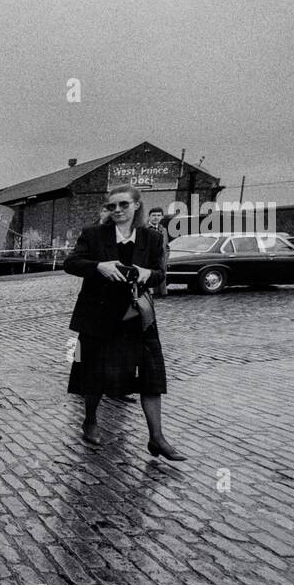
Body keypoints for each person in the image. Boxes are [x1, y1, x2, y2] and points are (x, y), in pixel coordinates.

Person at [63, 184, 185, 460]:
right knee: (94, 374)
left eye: (123, 205)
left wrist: (146, 273)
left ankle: (157, 438)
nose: (117, 210)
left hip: (136, 318)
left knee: (151, 376)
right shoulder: (94, 235)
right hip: (98, 316)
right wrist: (98, 267)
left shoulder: (151, 238)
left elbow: (160, 274)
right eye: (112, 206)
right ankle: (90, 421)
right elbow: (71, 263)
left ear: (136, 206)